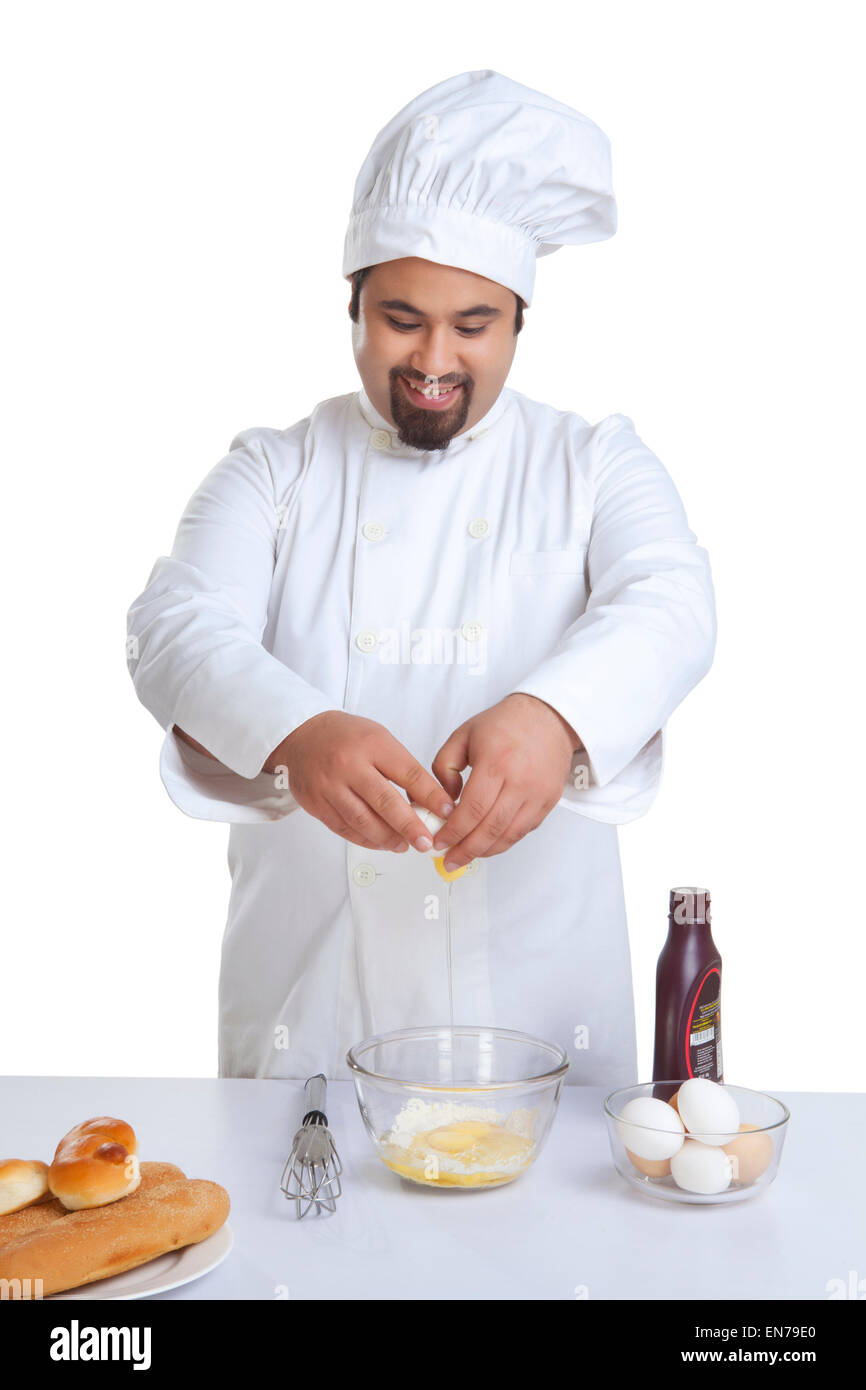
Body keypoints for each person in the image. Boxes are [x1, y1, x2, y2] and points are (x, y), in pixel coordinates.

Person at [126, 70, 716, 1086]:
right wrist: (294, 732)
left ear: (519, 322)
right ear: (351, 304)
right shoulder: (274, 468)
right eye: (401, 317)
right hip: (310, 1023)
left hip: (541, 1021)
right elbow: (174, 623)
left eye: (472, 324)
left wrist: (554, 718)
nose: (433, 359)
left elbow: (671, 602)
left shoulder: (592, 464)